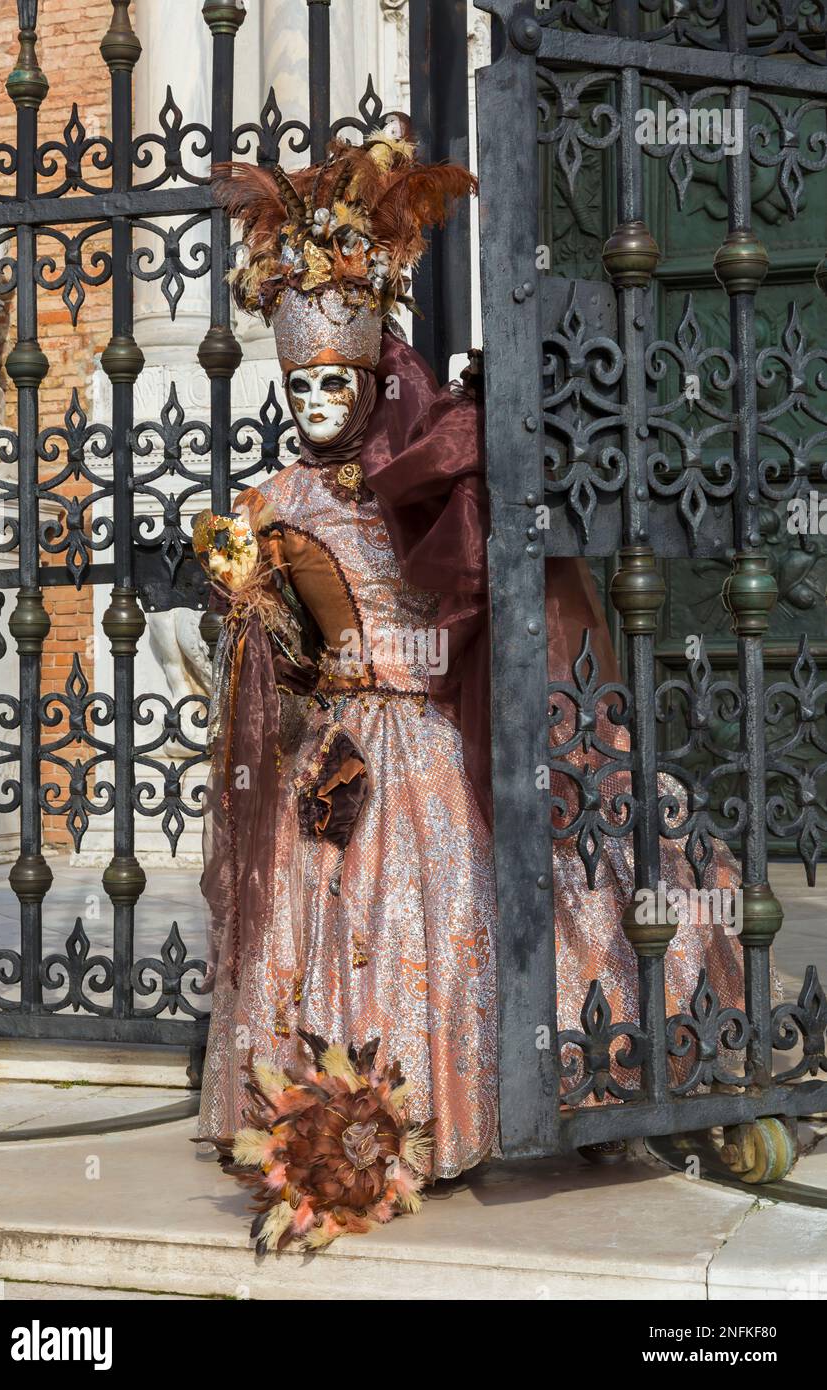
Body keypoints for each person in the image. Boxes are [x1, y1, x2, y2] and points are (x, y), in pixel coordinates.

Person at [193, 123, 744, 1249]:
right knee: (340, 916)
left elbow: (489, 589)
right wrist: (256, 617)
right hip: (341, 753)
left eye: (334, 382)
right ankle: (341, 1124)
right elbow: (289, 671)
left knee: (460, 905)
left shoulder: (431, 468)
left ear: (368, 367)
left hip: (436, 739)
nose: (315, 406)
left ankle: (502, 1098)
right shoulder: (271, 502)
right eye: (299, 388)